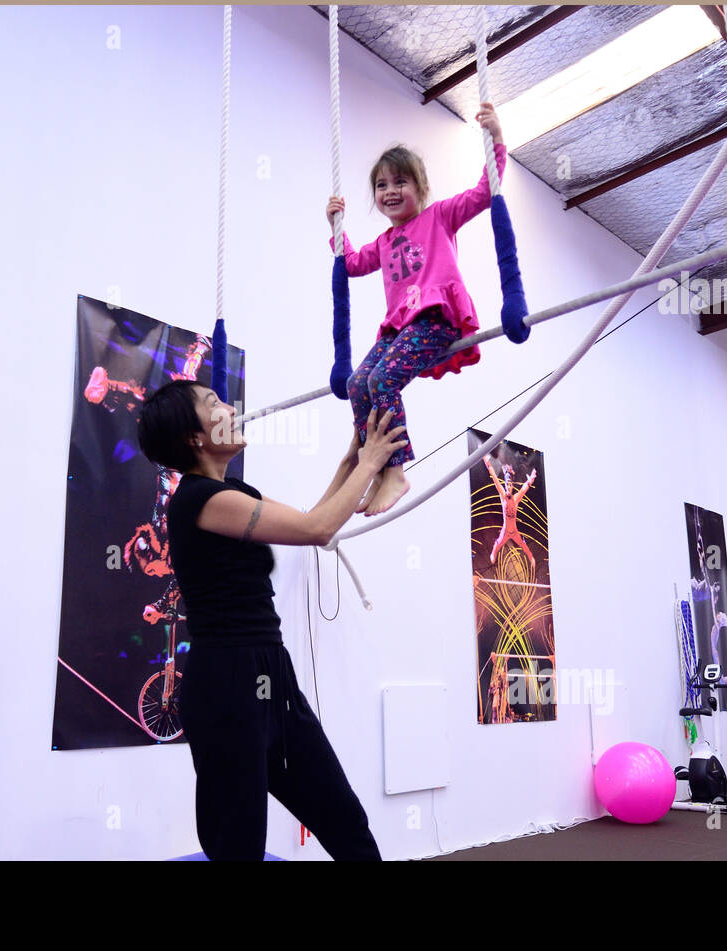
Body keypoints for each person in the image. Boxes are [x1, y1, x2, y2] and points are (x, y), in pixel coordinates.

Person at [136, 379, 406, 861]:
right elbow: (318, 529)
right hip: (225, 684)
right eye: (213, 403)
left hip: (271, 677)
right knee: (238, 845)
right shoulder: (200, 500)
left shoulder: (236, 492)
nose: (229, 407)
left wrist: (352, 459)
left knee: (342, 817)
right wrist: (369, 465)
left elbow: (315, 520)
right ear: (194, 437)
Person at [326, 103, 507, 516]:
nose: (390, 191)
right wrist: (336, 227)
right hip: (399, 328)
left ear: (420, 188)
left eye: (400, 182)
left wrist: (495, 138)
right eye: (382, 185)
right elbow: (351, 264)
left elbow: (485, 192)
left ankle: (396, 468)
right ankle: (378, 467)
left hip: (434, 318)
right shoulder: (385, 242)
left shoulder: (440, 216)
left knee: (384, 380)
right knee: (359, 384)